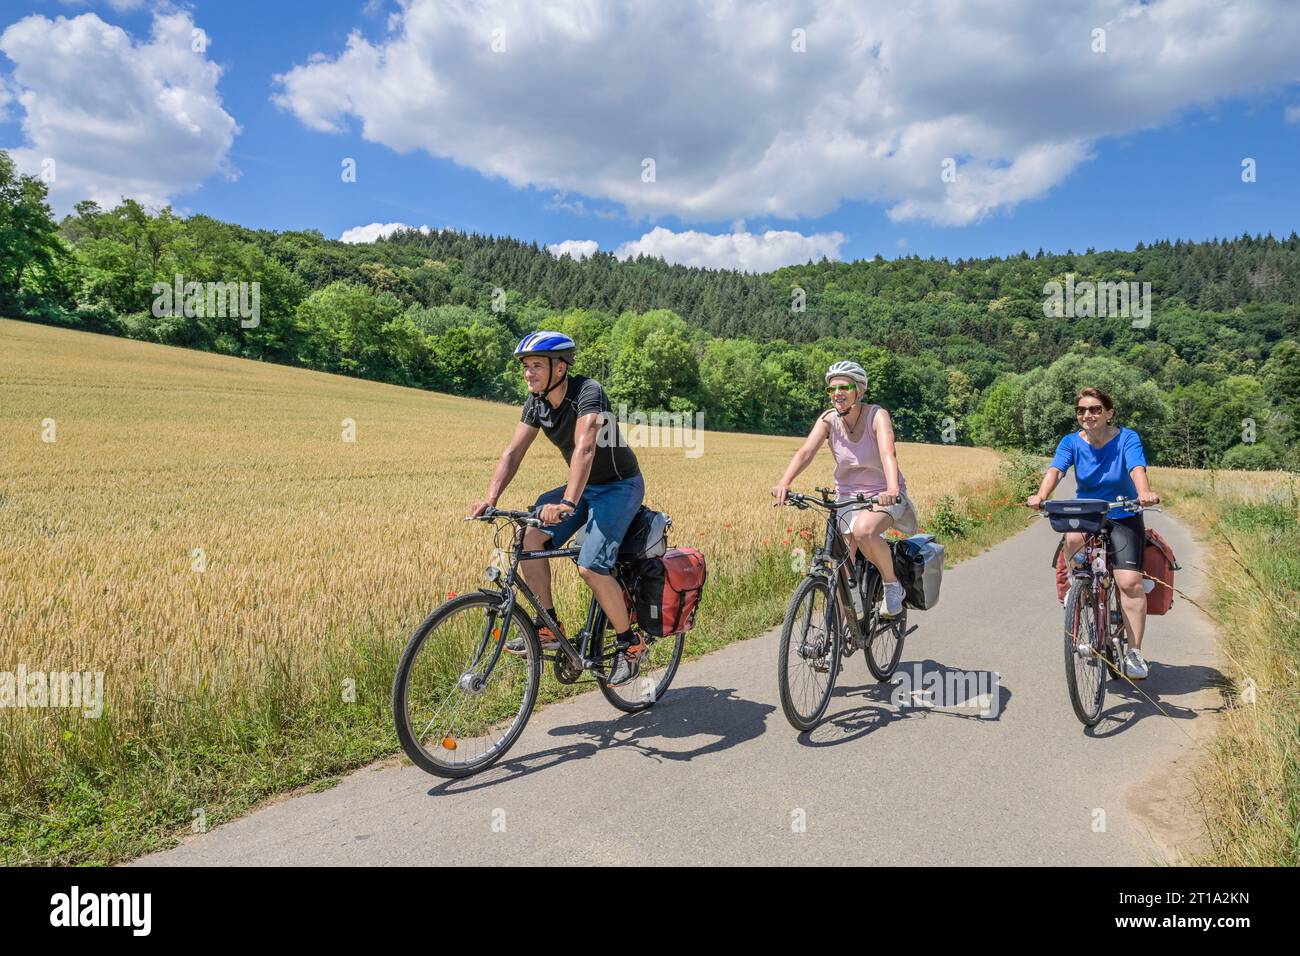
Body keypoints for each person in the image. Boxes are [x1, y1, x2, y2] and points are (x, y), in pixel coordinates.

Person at [470, 331, 647, 685]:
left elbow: (585, 448)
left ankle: (631, 644)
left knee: (591, 567)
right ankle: (547, 626)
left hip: (619, 486)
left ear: (560, 367)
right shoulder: (536, 403)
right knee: (529, 537)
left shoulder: (588, 392)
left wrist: (567, 502)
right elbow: (513, 452)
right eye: (525, 366)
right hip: (582, 486)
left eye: (536, 365)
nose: (528, 373)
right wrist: (491, 498)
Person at [1027, 387, 1161, 679]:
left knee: (1129, 582)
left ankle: (1134, 652)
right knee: (1072, 536)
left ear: (1109, 413)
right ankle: (1080, 587)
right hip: (1089, 513)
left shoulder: (1127, 437)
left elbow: (1136, 467)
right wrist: (1040, 495)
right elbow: (1056, 470)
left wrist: (1144, 493)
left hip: (1123, 512)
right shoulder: (1071, 442)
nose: (1087, 415)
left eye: (1095, 409)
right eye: (1082, 410)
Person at [772, 360, 920, 619]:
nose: (837, 393)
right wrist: (785, 482)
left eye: (844, 387)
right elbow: (806, 452)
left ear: (859, 390)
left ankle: (891, 585)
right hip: (847, 496)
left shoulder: (877, 415)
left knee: (864, 531)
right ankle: (837, 638)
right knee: (842, 567)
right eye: (832, 389)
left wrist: (892, 488)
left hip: (882, 492)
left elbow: (888, 453)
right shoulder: (828, 420)